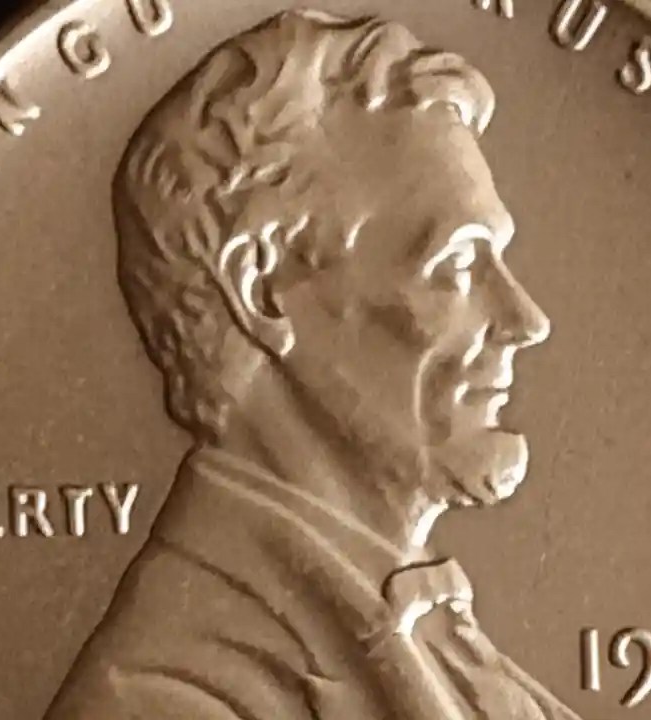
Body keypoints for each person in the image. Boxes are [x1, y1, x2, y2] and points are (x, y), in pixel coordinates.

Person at [46, 10, 579, 720]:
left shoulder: (426, 629)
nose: (525, 321)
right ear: (263, 290)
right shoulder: (164, 699)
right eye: (454, 265)